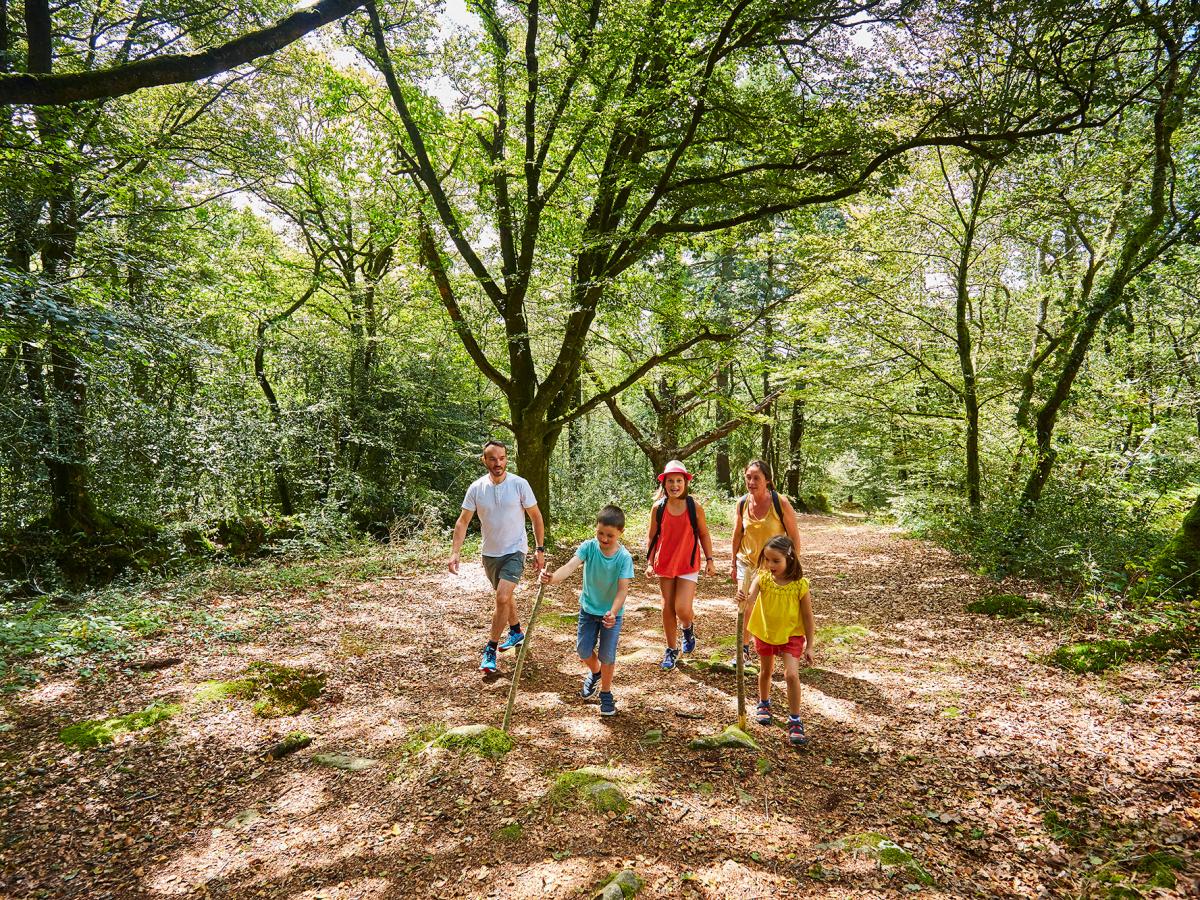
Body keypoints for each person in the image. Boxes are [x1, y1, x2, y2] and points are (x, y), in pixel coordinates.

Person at [449, 440, 545, 673]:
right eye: (492, 459)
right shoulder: (476, 488)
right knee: (505, 597)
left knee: (502, 597)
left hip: (515, 550)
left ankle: (490, 649)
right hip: (490, 553)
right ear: (484, 460)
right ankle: (515, 632)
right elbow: (463, 521)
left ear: (506, 459)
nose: (498, 463)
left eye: (501, 458)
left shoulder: (519, 484)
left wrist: (539, 548)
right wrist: (455, 552)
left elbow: (536, 516)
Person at [539, 505, 634, 717]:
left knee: (607, 655)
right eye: (600, 533)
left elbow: (623, 589)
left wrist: (613, 611)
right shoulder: (589, 547)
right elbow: (570, 566)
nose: (604, 538)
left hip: (612, 614)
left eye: (610, 535)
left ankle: (606, 694)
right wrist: (551, 578)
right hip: (589, 610)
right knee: (583, 650)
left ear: (620, 533)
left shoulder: (623, 558)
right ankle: (595, 672)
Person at [737, 535, 815, 746]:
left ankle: (795, 718)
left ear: (789, 558)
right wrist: (742, 598)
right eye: (767, 560)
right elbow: (750, 599)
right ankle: (764, 703)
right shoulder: (762, 579)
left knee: (791, 675)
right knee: (766, 671)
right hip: (766, 632)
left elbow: (808, 616)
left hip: (792, 635)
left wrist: (811, 644)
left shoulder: (800, 584)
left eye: (776, 561)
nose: (770, 565)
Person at [645, 460, 717, 671]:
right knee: (667, 605)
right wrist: (649, 563)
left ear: (685, 483)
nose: (674, 485)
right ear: (664, 483)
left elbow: (703, 533)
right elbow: (652, 537)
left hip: (687, 562)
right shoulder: (658, 508)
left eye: (678, 481)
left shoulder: (695, 507)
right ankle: (671, 649)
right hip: (665, 562)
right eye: (670, 481)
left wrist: (710, 560)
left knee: (682, 608)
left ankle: (687, 627)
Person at [730, 459, 803, 653]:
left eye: (756, 478)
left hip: (772, 565)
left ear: (767, 480)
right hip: (746, 563)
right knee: (745, 606)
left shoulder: (780, 503)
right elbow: (737, 533)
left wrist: (793, 566)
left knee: (771, 610)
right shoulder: (742, 503)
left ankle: (778, 647)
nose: (751, 482)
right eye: (748, 478)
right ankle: (743, 650)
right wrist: (732, 564)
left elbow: (794, 536)